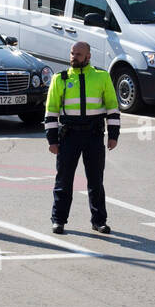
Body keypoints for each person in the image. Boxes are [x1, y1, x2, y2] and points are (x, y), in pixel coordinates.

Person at [44, 41, 120, 235]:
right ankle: (58, 220)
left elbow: (112, 107)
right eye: (72, 53)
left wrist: (113, 135)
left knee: (96, 181)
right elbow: (51, 111)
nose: (73, 57)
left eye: (78, 54)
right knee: (63, 180)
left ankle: (99, 221)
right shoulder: (59, 79)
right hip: (69, 136)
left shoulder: (102, 77)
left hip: (94, 135)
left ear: (88, 57)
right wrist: (52, 140)